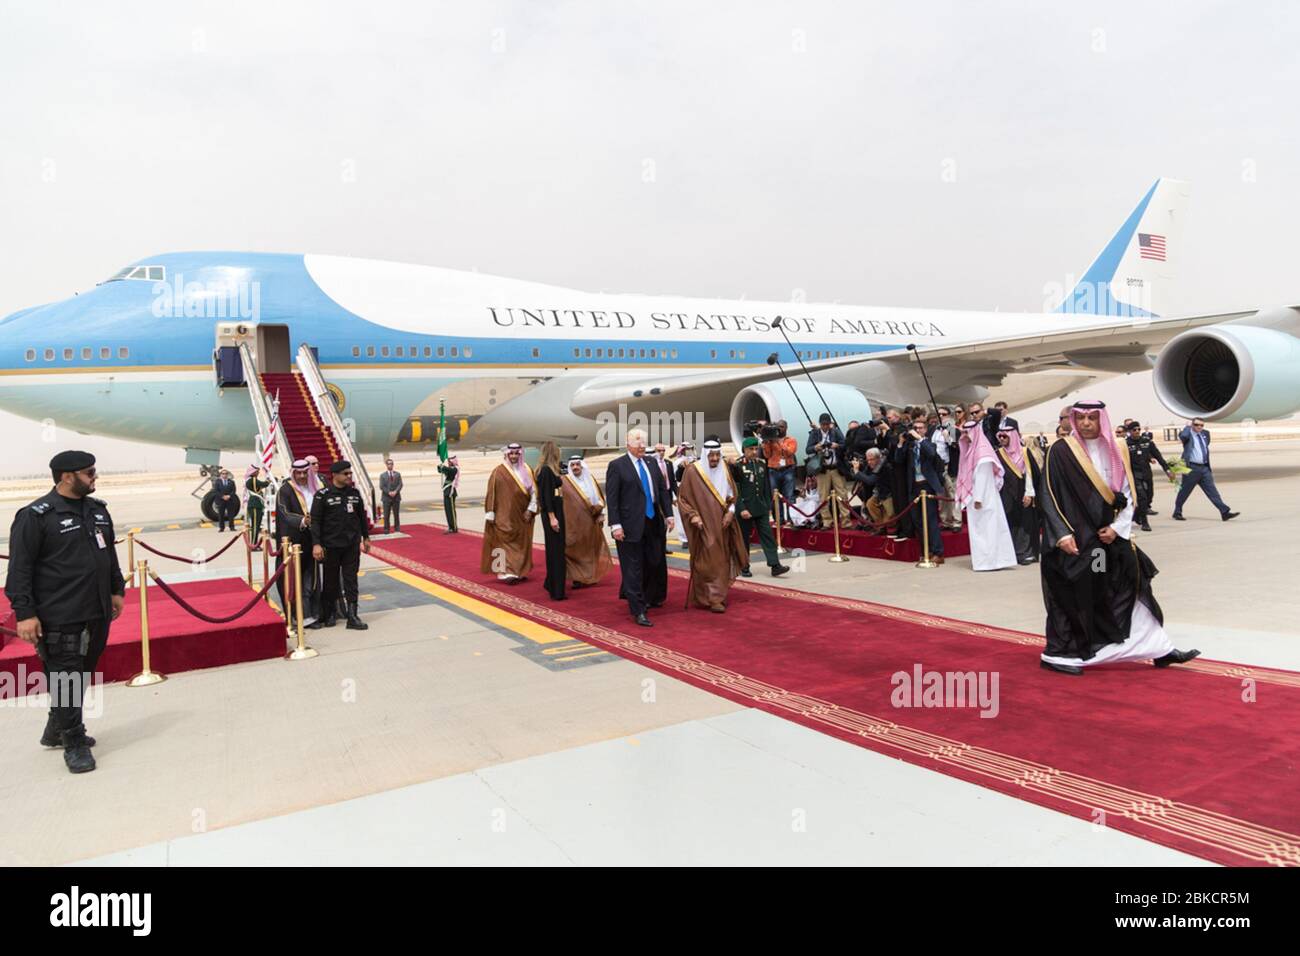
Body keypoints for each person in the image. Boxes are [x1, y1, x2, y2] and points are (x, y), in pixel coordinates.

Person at [1038, 400, 1200, 675]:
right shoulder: (1061, 451)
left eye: (1092, 417)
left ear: (1102, 419)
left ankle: (1159, 648)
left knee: (1133, 586)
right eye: (1081, 418)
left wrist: (1117, 528)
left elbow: (1128, 492)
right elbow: (1048, 494)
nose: (1087, 423)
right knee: (1075, 595)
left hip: (1110, 537)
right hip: (1076, 540)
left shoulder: (1119, 448)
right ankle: (1062, 655)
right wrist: (1061, 534)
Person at [4, 451, 125, 774]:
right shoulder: (36, 516)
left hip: (97, 610)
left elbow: (108, 554)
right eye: (89, 472)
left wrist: (117, 590)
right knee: (66, 676)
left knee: (81, 672)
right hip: (60, 613)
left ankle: (55, 727)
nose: (95, 477)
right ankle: (73, 742)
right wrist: (25, 613)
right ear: (67, 477)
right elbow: (19, 571)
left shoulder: (97, 512)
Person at [605, 428, 673, 626]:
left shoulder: (651, 462)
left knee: (653, 562)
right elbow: (613, 497)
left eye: (644, 442)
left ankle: (647, 597)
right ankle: (638, 610)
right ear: (628, 445)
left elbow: (662, 491)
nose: (642, 446)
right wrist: (615, 525)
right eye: (638, 443)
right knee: (632, 568)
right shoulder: (617, 466)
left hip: (653, 523)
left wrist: (668, 514)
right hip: (629, 525)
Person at [676, 439, 748, 612]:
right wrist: (693, 516)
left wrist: (731, 512)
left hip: (723, 523)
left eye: (717, 455)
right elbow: (683, 499)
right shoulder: (693, 471)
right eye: (712, 455)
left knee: (722, 559)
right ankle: (706, 596)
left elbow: (732, 495)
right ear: (705, 455)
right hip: (703, 522)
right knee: (706, 559)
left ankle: (717, 597)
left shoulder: (724, 468)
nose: (715, 458)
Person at [309, 460, 372, 630]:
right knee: (331, 581)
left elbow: (361, 517)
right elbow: (315, 522)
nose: (349, 476)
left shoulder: (354, 493)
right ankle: (329, 614)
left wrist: (366, 537)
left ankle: (352, 615)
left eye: (350, 473)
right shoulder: (323, 495)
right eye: (346, 474)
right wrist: (316, 544)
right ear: (335, 475)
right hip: (331, 545)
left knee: (351, 579)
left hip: (351, 544)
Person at [956, 420, 1016, 571]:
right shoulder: (972, 450)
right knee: (983, 531)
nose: (965, 436)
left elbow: (983, 477)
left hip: (983, 499)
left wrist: (977, 499)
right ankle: (987, 561)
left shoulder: (982, 452)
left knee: (987, 531)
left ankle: (989, 562)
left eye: (967, 432)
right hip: (979, 497)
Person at [732, 437, 790, 578]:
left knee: (768, 536)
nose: (754, 452)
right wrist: (741, 508)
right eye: (750, 449)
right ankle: (744, 565)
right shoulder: (738, 465)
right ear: (744, 450)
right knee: (744, 539)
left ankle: (775, 565)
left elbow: (765, 486)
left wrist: (767, 504)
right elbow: (735, 490)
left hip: (760, 507)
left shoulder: (761, 464)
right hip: (745, 508)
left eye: (755, 449)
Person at [482, 443, 538, 583]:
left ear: (520, 454)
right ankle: (505, 573)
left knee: (522, 543)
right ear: (506, 455)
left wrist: (531, 510)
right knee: (503, 543)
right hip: (503, 515)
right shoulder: (498, 472)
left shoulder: (527, 470)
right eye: (511, 454)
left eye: (516, 454)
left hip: (523, 515)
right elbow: (491, 493)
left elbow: (534, 493)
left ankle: (519, 571)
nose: (513, 456)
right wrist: (490, 512)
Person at [893, 418, 946, 562]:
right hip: (913, 486)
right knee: (918, 521)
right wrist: (901, 443)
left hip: (927, 485)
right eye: (915, 428)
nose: (917, 430)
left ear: (925, 430)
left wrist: (920, 440)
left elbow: (931, 454)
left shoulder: (930, 444)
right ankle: (926, 551)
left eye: (920, 428)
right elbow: (898, 460)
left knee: (931, 520)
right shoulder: (910, 446)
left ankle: (938, 552)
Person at [276, 459, 321, 627]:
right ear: (293, 473)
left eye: (304, 473)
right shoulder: (285, 491)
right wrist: (303, 520)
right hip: (293, 544)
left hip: (313, 541)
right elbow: (285, 513)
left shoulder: (314, 488)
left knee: (312, 580)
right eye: (298, 473)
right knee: (294, 581)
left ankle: (312, 614)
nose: (302, 476)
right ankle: (298, 616)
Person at [561, 455, 614, 588]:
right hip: (572, 524)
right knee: (574, 550)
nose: (575, 468)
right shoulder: (565, 482)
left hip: (590, 521)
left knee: (591, 549)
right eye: (572, 465)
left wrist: (600, 512)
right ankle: (577, 578)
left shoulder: (590, 479)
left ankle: (589, 576)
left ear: (582, 466)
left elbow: (600, 499)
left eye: (578, 465)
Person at [1173, 418, 1239, 522]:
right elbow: (1183, 436)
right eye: (1196, 425)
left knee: (1212, 491)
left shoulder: (1205, 434)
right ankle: (1177, 511)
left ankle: (1224, 512)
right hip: (1191, 468)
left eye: (1201, 425)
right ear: (1192, 425)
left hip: (1204, 468)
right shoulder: (1187, 435)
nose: (1199, 427)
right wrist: (1187, 427)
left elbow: (1205, 446)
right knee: (1185, 491)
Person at [995, 422, 1038, 565]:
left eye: (1004, 436)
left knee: (1025, 524)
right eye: (999, 435)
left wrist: (1029, 494)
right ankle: (1011, 553)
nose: (1001, 438)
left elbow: (1031, 474)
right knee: (1010, 524)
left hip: (1023, 494)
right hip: (1006, 495)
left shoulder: (1025, 452)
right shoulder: (998, 454)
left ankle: (1025, 553)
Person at [1125, 421, 1171, 532]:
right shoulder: (1126, 444)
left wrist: (1167, 470)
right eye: (1134, 430)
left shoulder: (1147, 442)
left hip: (1146, 473)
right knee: (1142, 498)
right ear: (1130, 431)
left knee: (1149, 496)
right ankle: (1145, 523)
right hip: (1135, 475)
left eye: (1138, 429)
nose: (1137, 431)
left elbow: (1158, 456)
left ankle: (1137, 514)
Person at [536, 441, 567, 601]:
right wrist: (552, 517)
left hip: (557, 510)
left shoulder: (551, 470)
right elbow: (546, 497)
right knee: (556, 551)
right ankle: (556, 589)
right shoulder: (547, 471)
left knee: (557, 548)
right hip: (552, 513)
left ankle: (552, 583)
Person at [806, 413, 849, 528]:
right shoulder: (815, 434)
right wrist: (816, 447)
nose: (825, 426)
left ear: (830, 424)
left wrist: (836, 446)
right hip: (823, 469)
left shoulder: (835, 432)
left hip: (836, 468)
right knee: (823, 496)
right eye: (823, 424)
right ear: (820, 424)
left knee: (842, 495)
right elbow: (808, 449)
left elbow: (845, 445)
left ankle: (846, 521)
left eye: (827, 424)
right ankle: (827, 521)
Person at [848, 447, 894, 530]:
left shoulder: (884, 466)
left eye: (872, 459)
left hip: (889, 494)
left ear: (878, 458)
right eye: (868, 460)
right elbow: (862, 477)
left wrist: (857, 471)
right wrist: (856, 470)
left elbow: (870, 481)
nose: (869, 462)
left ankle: (885, 525)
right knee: (870, 503)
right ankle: (880, 526)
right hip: (879, 493)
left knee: (891, 520)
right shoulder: (870, 465)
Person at [763, 420, 798, 527]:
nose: (779, 429)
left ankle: (791, 519)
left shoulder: (791, 440)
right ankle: (779, 519)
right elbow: (767, 455)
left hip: (788, 470)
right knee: (775, 497)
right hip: (773, 470)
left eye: (781, 427)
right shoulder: (771, 440)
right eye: (778, 427)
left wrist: (778, 442)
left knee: (789, 496)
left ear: (786, 428)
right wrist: (766, 443)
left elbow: (789, 452)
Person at [243, 464, 271, 545]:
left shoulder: (251, 480)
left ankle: (254, 543)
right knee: (255, 526)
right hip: (255, 505)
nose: (258, 472)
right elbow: (264, 484)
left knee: (257, 525)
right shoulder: (253, 480)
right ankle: (253, 544)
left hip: (256, 505)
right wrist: (268, 480)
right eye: (257, 471)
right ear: (254, 472)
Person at [379, 458, 403, 533]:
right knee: (386, 515)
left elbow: (400, 484)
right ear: (386, 465)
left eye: (391, 464)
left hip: (396, 497)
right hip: (386, 498)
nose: (390, 465)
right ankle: (386, 529)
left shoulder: (398, 474)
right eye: (389, 464)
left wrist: (395, 491)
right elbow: (382, 486)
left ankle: (397, 528)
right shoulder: (382, 475)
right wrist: (389, 492)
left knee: (396, 514)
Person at [438, 455, 460, 533]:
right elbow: (440, 470)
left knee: (451, 511)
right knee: (447, 510)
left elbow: (449, 471)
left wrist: (443, 467)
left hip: (451, 491)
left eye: (449, 462)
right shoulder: (449, 469)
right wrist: (440, 466)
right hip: (446, 491)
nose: (448, 463)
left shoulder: (455, 469)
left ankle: (454, 527)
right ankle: (450, 527)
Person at [213, 468, 238, 532]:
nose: (225, 475)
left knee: (231, 514)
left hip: (230, 500)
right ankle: (222, 528)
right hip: (221, 500)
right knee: (221, 515)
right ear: (221, 475)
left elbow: (234, 491)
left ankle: (232, 527)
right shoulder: (217, 482)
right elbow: (216, 491)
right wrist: (222, 496)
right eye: (223, 474)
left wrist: (229, 496)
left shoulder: (231, 482)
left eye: (226, 474)